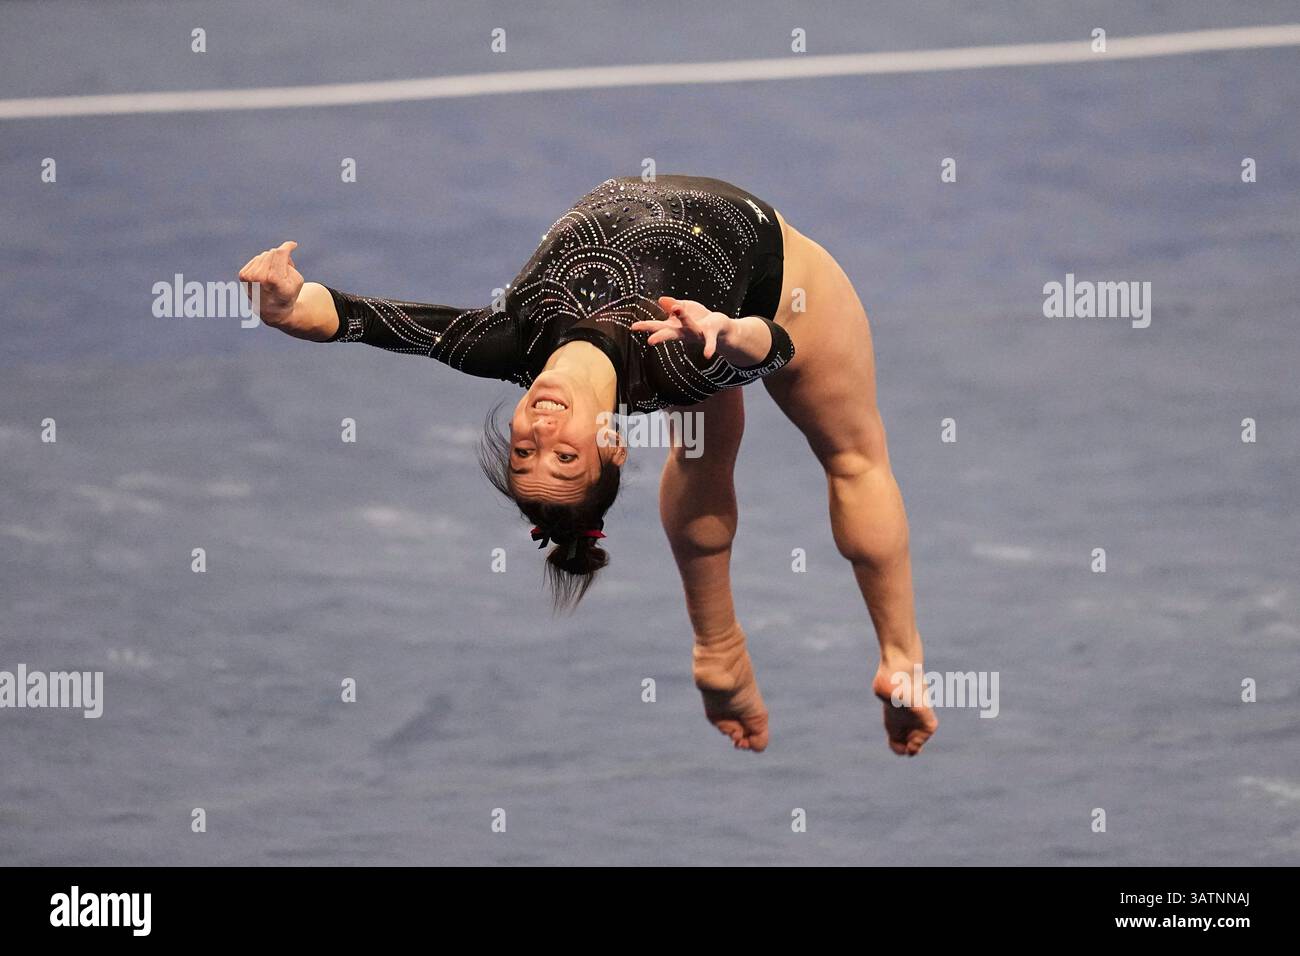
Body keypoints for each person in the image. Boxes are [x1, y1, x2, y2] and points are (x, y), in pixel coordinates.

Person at [238, 174, 936, 756]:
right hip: (777, 293)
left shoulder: (509, 344)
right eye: (565, 454)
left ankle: (717, 650)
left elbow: (361, 319)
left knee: (704, 444)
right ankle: (901, 659)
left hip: (699, 326)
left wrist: (290, 304)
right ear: (612, 443)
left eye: (523, 449)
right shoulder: (668, 361)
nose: (540, 427)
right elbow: (779, 350)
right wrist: (730, 335)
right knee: (852, 456)